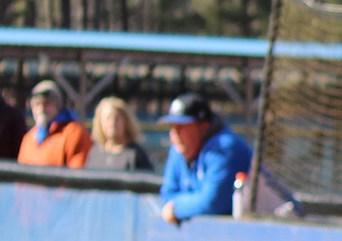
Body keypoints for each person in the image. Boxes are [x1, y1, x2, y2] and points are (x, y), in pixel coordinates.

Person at [158, 93, 253, 225]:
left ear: (203, 126)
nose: (175, 133)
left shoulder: (225, 148)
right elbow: (167, 195)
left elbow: (213, 203)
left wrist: (176, 208)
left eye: (182, 126)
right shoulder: (179, 148)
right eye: (173, 127)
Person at [17, 80, 94, 168]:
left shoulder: (74, 133)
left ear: (58, 105)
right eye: (37, 104)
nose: (41, 109)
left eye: (47, 103)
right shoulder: (29, 138)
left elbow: (78, 176)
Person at [85, 96, 155, 172]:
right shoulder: (96, 152)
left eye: (116, 118)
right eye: (108, 118)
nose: (112, 123)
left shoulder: (135, 154)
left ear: (126, 122)